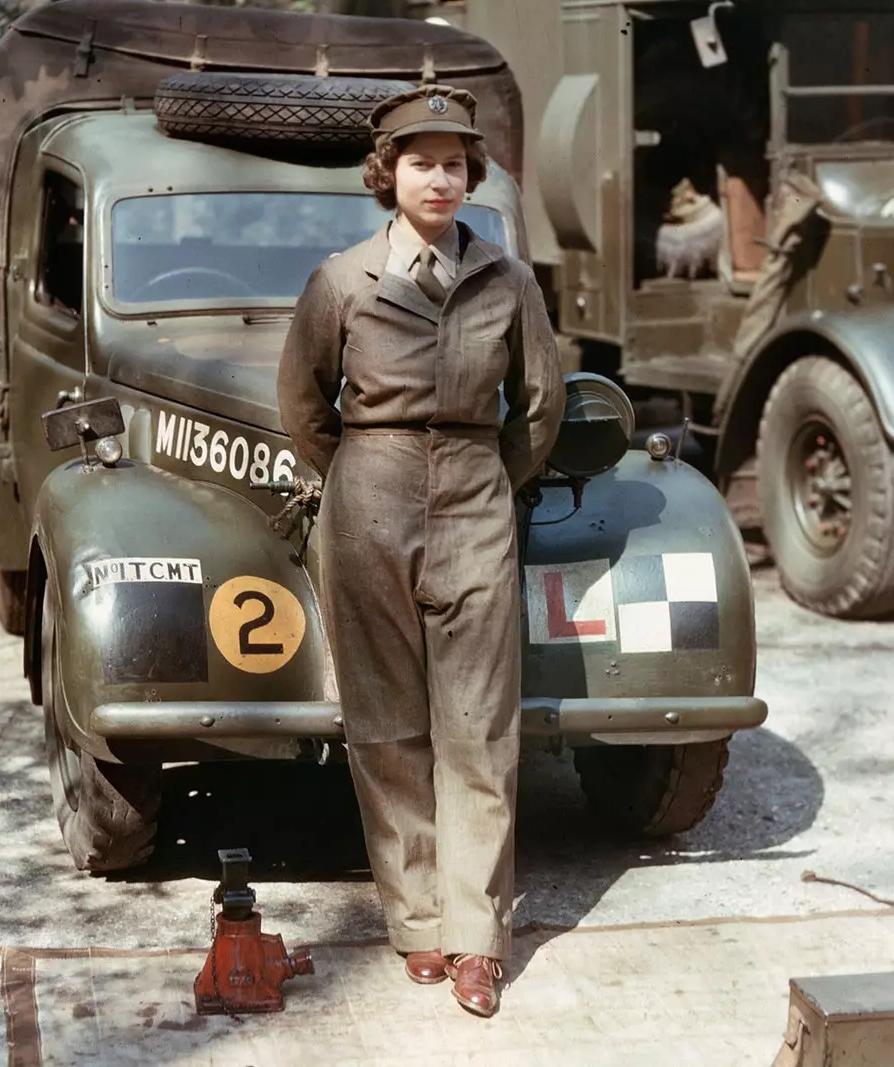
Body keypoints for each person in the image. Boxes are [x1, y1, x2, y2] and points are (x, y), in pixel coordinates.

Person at [276, 84, 564, 1018]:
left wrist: (488, 480)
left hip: (478, 499)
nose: (439, 178)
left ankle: (478, 937)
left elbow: (544, 404)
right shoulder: (340, 281)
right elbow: (304, 409)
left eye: (454, 163)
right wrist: (365, 475)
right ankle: (420, 922)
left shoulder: (507, 281)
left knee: (480, 725)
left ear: (472, 175)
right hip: (368, 502)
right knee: (388, 726)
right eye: (420, 162)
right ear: (386, 174)